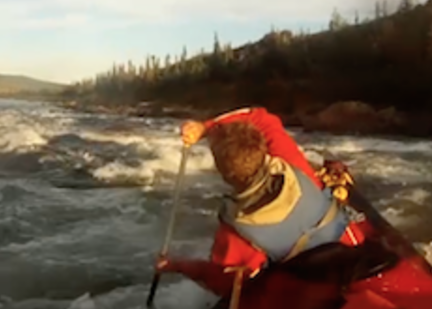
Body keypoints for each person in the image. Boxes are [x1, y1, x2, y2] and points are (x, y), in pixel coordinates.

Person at [155, 106, 370, 296]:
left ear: (223, 172)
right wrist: (205, 127)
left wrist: (176, 265)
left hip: (314, 289)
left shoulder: (236, 232)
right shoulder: (289, 159)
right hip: (356, 253)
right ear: (261, 146)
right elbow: (260, 116)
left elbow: (222, 281)